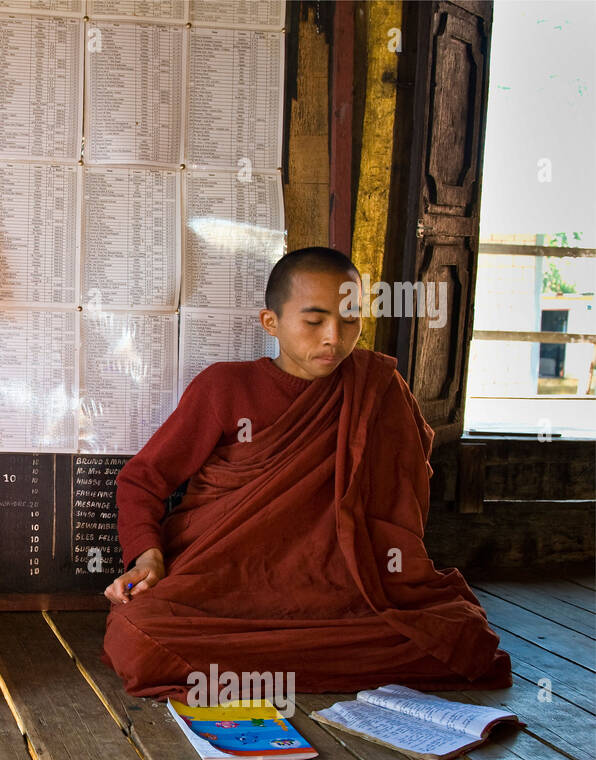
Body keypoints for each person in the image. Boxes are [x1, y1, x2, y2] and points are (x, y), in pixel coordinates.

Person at [102, 247, 511, 697]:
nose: (334, 337)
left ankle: (269, 665)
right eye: (314, 321)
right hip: (224, 580)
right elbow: (143, 478)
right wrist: (148, 555)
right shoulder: (226, 387)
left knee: (460, 636)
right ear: (270, 322)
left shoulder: (377, 388)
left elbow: (400, 499)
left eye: (350, 318)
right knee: (136, 637)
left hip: (338, 586)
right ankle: (322, 661)